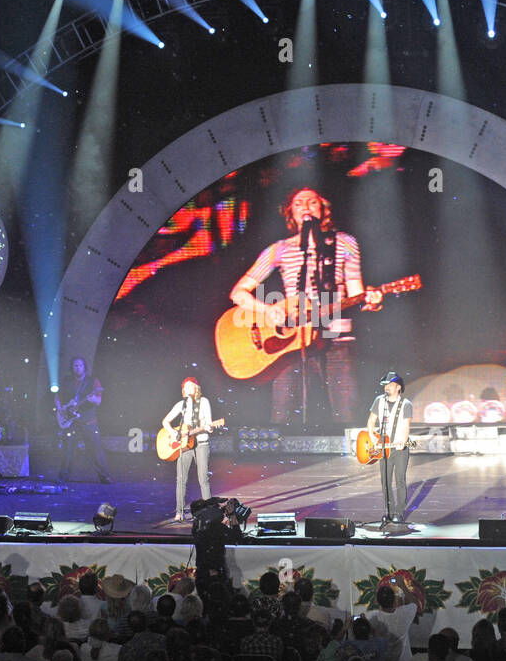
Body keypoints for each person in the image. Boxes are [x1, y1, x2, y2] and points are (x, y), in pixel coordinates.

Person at [229, 187, 384, 427]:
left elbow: (356, 293)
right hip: (291, 346)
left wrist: (371, 302)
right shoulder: (278, 249)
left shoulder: (345, 243)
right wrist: (268, 311)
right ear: (290, 212)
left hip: (337, 340)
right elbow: (238, 293)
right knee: (282, 419)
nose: (306, 207)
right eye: (299, 203)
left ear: (323, 209)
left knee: (347, 417)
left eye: (312, 202)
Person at [162, 377, 215, 521]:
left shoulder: (204, 402)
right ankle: (179, 512)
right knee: (181, 479)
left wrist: (208, 426)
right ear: (183, 390)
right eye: (186, 386)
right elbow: (165, 421)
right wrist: (174, 433)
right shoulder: (181, 404)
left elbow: (209, 422)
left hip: (201, 443)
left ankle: (209, 512)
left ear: (197, 387)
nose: (188, 388)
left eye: (191, 385)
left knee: (203, 478)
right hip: (185, 446)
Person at [366, 372, 414, 524]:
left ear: (398, 387)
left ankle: (399, 512)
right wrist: (372, 435)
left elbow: (406, 425)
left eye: (390, 385)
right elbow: (371, 420)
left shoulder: (406, 404)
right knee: (385, 481)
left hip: (399, 449)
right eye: (385, 385)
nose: (386, 387)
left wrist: (402, 441)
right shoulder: (379, 401)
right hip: (383, 448)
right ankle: (388, 510)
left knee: (399, 480)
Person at [56, 356, 110, 485]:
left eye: (80, 365)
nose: (77, 368)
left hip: (88, 420)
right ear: (72, 367)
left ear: (84, 367)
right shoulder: (66, 381)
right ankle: (63, 477)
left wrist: (93, 400)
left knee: (96, 449)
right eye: (75, 365)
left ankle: (105, 476)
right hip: (71, 420)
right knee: (67, 449)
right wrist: (60, 409)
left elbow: (98, 401)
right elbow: (58, 397)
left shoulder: (93, 381)